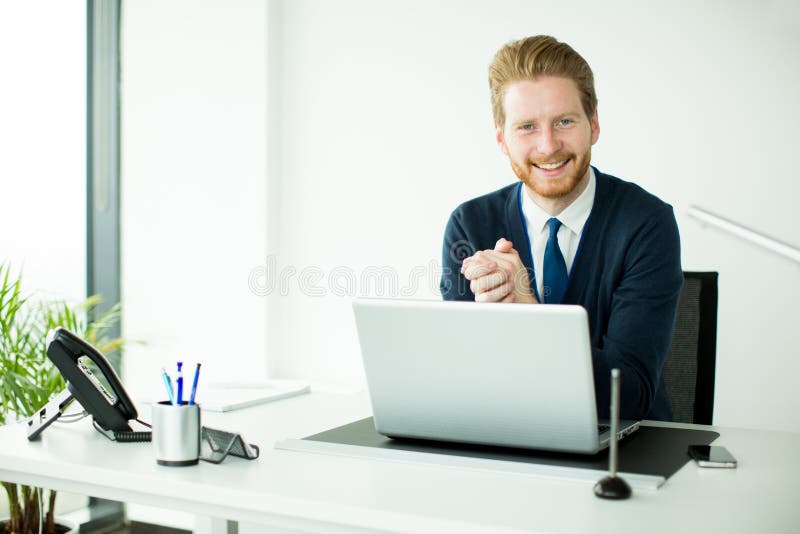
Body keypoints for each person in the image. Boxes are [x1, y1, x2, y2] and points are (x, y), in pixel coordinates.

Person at [440, 35, 682, 421]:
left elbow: (630, 395)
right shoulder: (470, 225)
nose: (548, 145)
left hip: (626, 458)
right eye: (527, 127)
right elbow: (465, 382)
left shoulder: (647, 224)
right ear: (502, 139)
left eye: (564, 121)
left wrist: (526, 313)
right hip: (511, 442)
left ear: (594, 125)